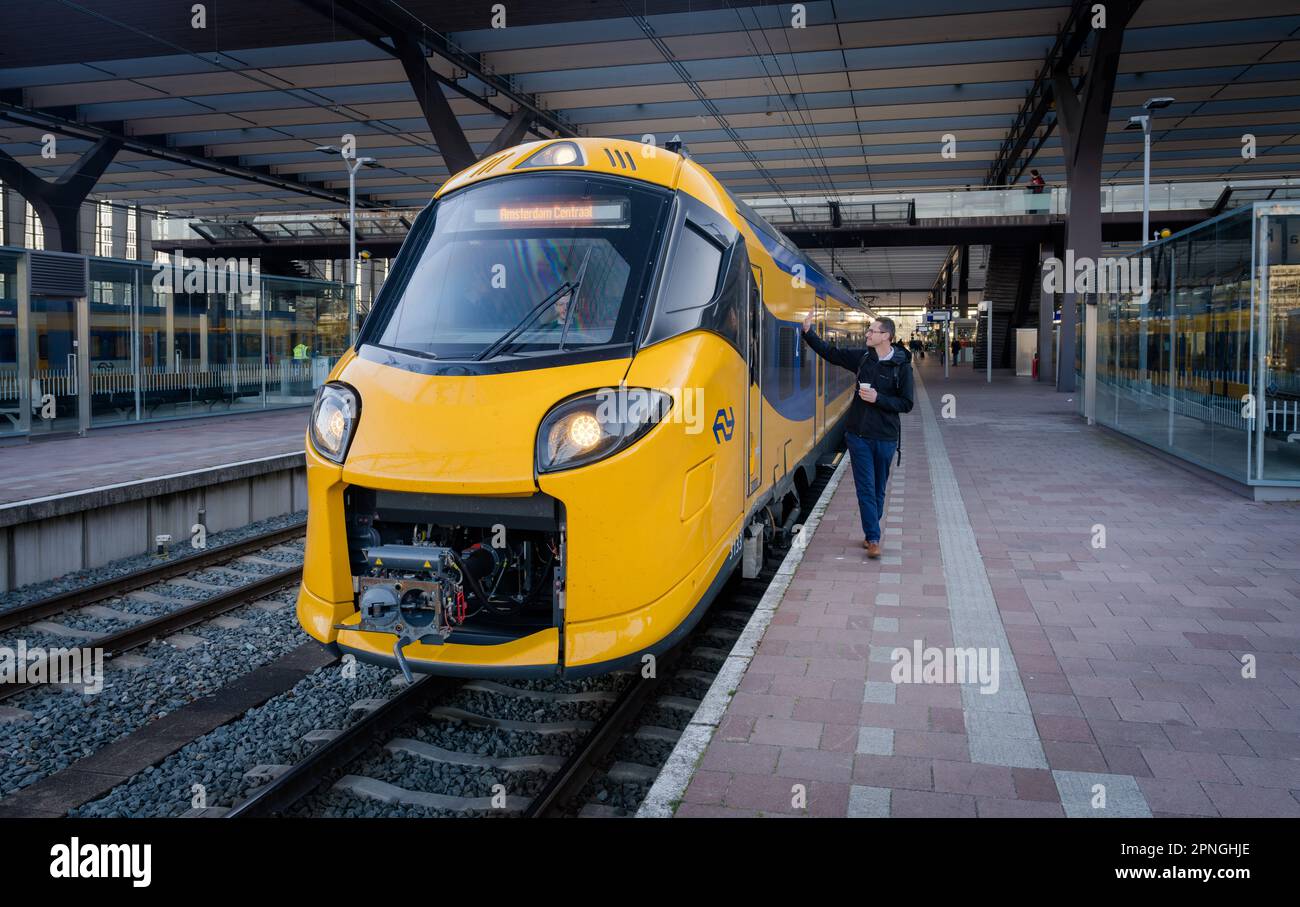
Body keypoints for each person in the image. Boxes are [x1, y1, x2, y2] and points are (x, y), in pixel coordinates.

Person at [800, 313, 914, 559]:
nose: (868, 334)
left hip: (885, 437)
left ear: (886, 336)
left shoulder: (902, 367)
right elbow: (831, 353)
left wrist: (878, 399)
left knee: (878, 488)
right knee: (865, 488)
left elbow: (907, 403)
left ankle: (871, 527)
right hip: (858, 435)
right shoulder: (863, 358)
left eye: (872, 331)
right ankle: (873, 537)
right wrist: (808, 333)